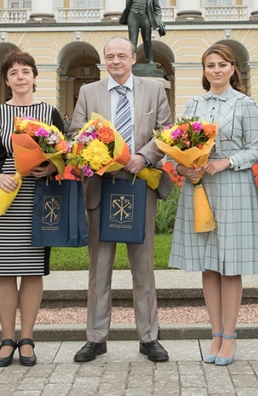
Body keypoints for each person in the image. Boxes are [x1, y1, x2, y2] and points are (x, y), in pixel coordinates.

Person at [69, 36, 174, 363]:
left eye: (121, 56)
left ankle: (149, 337)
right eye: (110, 56)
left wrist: (144, 156)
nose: (116, 61)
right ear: (105, 61)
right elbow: (75, 134)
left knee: (142, 266)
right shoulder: (89, 92)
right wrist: (95, 156)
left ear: (132, 58)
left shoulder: (154, 89)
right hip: (102, 186)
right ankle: (96, 338)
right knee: (99, 267)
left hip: (139, 185)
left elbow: (166, 131)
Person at [168, 44, 258, 366]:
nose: (216, 70)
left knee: (229, 263)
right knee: (208, 263)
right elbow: (177, 147)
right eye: (210, 65)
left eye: (222, 64)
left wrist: (226, 162)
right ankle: (215, 333)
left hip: (233, 186)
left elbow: (256, 149)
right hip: (200, 187)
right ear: (204, 70)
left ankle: (231, 335)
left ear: (233, 69)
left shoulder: (244, 103)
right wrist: (184, 167)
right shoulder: (195, 103)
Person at [0, 51, 65, 368]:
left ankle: (27, 338)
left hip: (37, 198)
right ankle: (6, 338)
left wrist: (52, 168)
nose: (21, 77)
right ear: (7, 80)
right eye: (14, 73)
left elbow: (65, 153)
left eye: (26, 71)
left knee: (32, 269)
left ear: (35, 77)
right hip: (4, 200)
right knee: (4, 269)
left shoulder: (49, 112)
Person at [102, 0, 166, 64]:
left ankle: (149, 60)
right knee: (132, 41)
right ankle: (132, 61)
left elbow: (157, 9)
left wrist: (159, 21)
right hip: (133, 16)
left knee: (147, 40)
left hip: (145, 17)